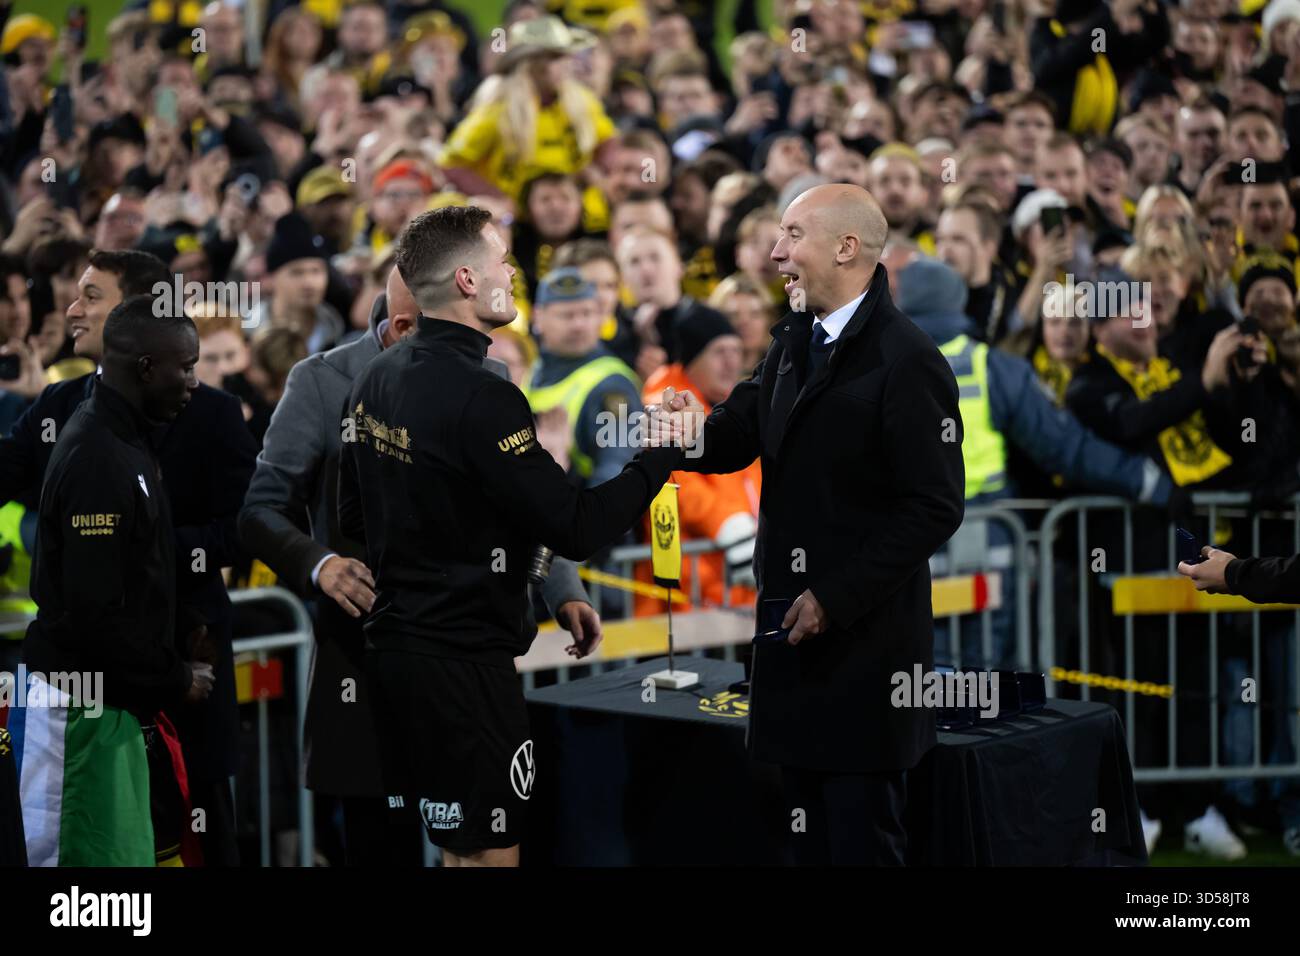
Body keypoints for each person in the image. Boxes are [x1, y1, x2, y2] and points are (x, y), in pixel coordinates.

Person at [338, 205, 683, 867]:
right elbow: (577, 525)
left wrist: (543, 582)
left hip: (398, 657)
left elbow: (356, 519)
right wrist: (658, 454)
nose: (513, 275)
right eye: (503, 262)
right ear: (468, 280)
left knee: (456, 848)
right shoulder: (483, 392)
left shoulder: (376, 376)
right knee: (490, 854)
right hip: (466, 666)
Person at [239, 263, 599, 866]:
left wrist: (564, 588)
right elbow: (260, 510)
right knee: (382, 849)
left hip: (464, 658)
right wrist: (319, 563)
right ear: (405, 324)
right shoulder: (322, 382)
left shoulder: (489, 375)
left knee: (476, 843)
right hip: (364, 658)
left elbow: (525, 501)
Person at [652, 184, 965, 864]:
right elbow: (739, 432)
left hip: (866, 655)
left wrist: (836, 596)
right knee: (795, 839)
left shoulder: (908, 360)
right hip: (788, 647)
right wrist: (685, 434)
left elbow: (935, 505)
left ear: (846, 248)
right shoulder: (796, 338)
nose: (775, 252)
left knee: (859, 842)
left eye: (792, 235)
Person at [0, 250, 257, 866]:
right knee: (106, 860)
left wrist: (162, 555)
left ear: (140, 311)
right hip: (104, 694)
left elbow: (247, 527)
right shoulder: (67, 410)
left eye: (92, 294)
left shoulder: (213, 413)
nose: (72, 307)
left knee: (201, 837)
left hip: (191, 665)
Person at [523, 268, 641, 487]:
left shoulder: (612, 384)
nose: (578, 324)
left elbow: (617, 474)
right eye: (566, 315)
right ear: (538, 317)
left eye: (586, 313)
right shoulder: (533, 372)